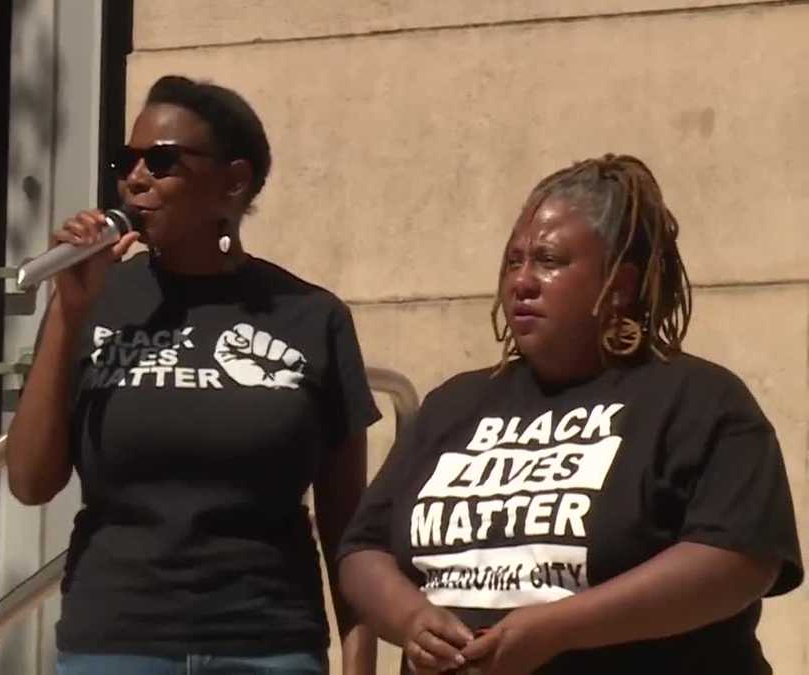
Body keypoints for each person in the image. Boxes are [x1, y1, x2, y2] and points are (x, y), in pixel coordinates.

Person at [337, 154, 803, 675]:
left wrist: (559, 628)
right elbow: (363, 549)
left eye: (549, 261)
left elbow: (741, 559)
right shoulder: (455, 404)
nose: (522, 282)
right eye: (513, 262)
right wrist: (411, 620)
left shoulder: (698, 399)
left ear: (619, 285)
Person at [5, 75, 380, 675]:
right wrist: (69, 313)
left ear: (234, 181)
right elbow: (30, 481)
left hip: (267, 643)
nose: (135, 179)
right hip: (117, 642)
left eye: (161, 162)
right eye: (126, 161)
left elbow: (347, 527)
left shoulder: (312, 317)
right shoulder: (96, 303)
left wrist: (359, 663)